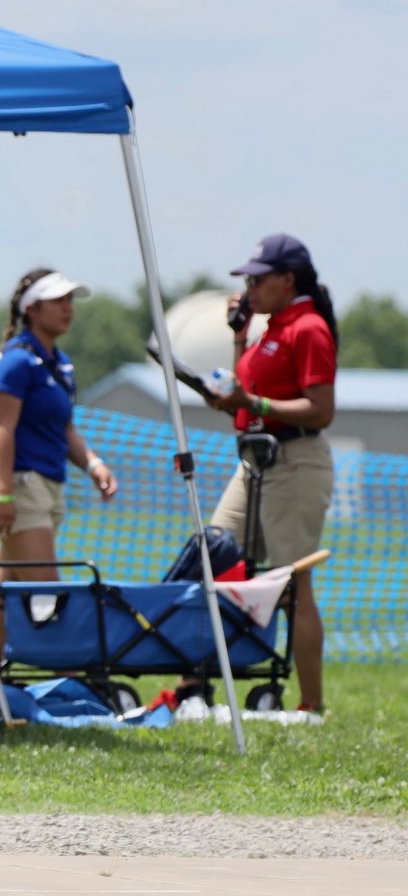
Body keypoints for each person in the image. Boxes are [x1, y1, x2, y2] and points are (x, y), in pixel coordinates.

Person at [204, 233, 336, 714]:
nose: (250, 289)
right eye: (248, 281)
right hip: (256, 460)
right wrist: (239, 337)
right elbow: (245, 397)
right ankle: (193, 685)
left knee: (292, 585)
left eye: (259, 280)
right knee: (215, 555)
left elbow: (321, 409)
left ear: (288, 280)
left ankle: (311, 705)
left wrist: (253, 403)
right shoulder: (270, 329)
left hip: (295, 461)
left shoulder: (308, 328)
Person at [0, 269, 117, 596]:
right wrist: (4, 493)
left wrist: (93, 464)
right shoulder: (17, 360)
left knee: (8, 592)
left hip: (49, 486)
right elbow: (3, 427)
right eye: (58, 301)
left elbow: (66, 428)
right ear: (32, 309)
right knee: (48, 593)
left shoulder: (61, 363)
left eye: (70, 300)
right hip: (21, 487)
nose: (68, 308)